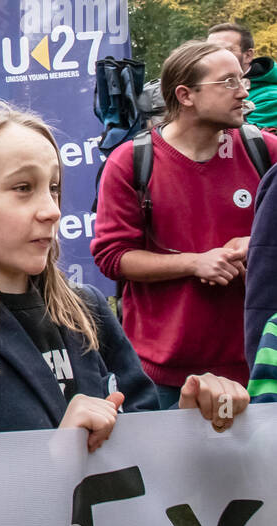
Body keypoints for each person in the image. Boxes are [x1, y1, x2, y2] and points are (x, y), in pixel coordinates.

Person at [0, 99, 250, 444]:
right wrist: (58, 453)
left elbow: (143, 445)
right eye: (22, 188)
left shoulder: (89, 312)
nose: (51, 210)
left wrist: (190, 419)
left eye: (53, 188)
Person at [92, 40, 277, 407]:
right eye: (228, 82)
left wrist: (256, 243)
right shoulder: (130, 161)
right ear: (185, 95)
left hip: (252, 372)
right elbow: (113, 257)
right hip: (159, 376)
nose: (244, 92)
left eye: (242, 81)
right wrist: (195, 262)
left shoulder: (265, 151)